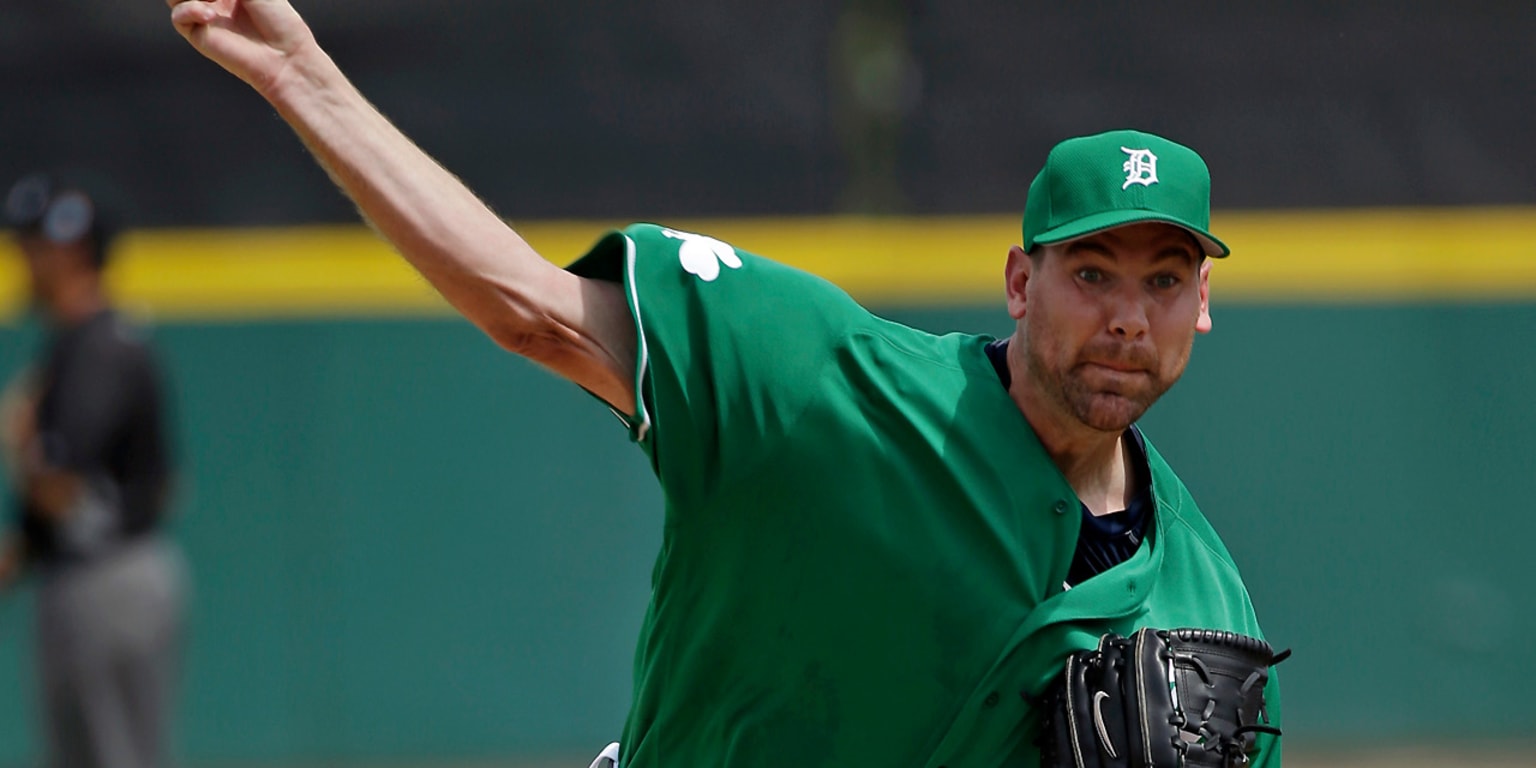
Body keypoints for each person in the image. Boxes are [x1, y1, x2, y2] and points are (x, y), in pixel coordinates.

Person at [167, 2, 1281, 766]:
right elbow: (529, 307)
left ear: (1203, 305)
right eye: (1091, 272)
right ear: (1018, 283)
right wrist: (305, 78)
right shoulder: (820, 382)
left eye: (1165, 278)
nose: (1128, 315)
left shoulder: (1208, 609)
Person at [0, 172, 187, 768]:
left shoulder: (98, 346)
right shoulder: (84, 342)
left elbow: (61, 484)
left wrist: (19, 441)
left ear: (70, 252)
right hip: (98, 577)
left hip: (106, 584)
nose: (23, 261)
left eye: (32, 248)